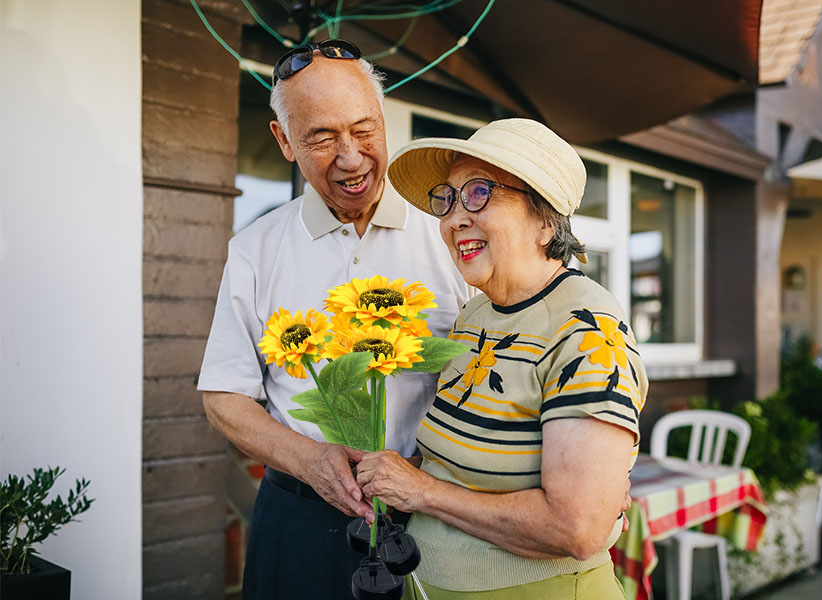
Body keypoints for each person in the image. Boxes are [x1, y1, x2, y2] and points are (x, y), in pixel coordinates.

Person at [197, 39, 469, 599]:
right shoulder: (255, 249)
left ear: (385, 118)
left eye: (364, 129)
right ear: (284, 141)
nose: (350, 157)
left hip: (435, 518)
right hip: (298, 521)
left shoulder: (453, 235)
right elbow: (223, 396)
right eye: (321, 138)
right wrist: (310, 459)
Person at [356, 118, 648, 599]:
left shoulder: (587, 331)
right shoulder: (475, 313)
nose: (453, 219)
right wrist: (396, 471)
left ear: (544, 219)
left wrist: (421, 491)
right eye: (447, 199)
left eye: (478, 193)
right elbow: (469, 459)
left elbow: (577, 529)